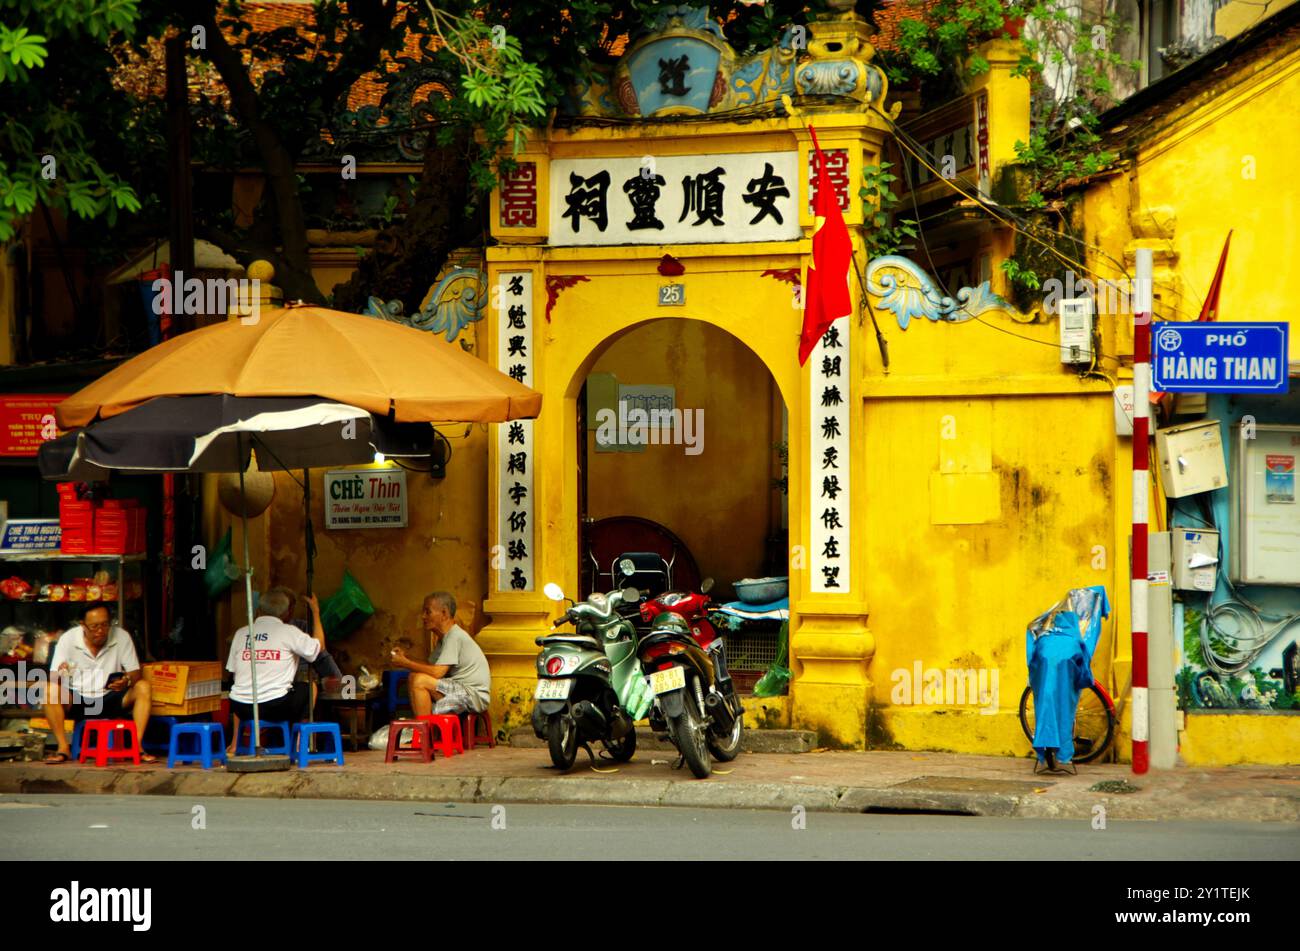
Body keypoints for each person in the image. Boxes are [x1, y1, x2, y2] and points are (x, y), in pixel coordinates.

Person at [42, 604, 155, 764]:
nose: (101, 630)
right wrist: (62, 673)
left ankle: (136, 746)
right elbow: (54, 678)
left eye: (105, 624)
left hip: (111, 697)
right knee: (50, 690)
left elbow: (136, 672)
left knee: (143, 686)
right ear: (82, 625)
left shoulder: (121, 636)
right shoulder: (68, 639)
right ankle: (62, 748)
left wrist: (126, 680)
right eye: (95, 626)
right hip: (78, 700)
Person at [226, 586, 324, 753]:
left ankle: (235, 744)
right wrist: (315, 613)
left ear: (259, 609)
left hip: (241, 708)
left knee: (239, 687)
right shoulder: (289, 632)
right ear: (287, 613)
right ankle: (302, 743)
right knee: (310, 687)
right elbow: (319, 647)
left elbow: (233, 672)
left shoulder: (241, 633)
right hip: (275, 707)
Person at [391, 591, 490, 717]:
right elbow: (429, 666)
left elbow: (437, 673)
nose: (423, 616)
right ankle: (427, 727)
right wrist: (406, 658)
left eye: (428, 612)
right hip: (460, 689)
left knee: (419, 680)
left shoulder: (454, 636)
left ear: (444, 613)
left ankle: (424, 731)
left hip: (471, 694)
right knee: (414, 676)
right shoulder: (444, 638)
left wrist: (406, 663)